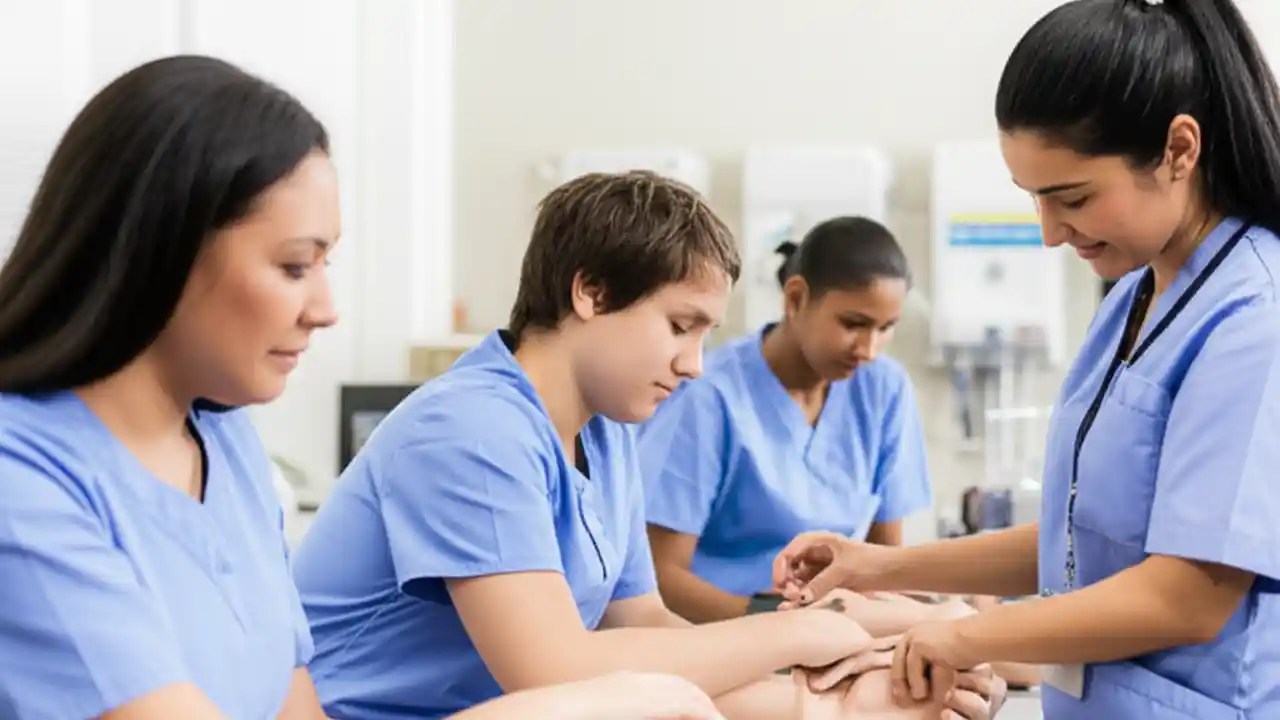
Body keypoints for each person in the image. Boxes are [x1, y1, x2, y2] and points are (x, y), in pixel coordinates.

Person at [0, 55, 731, 720]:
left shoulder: (227, 447)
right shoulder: (23, 478)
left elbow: (295, 709)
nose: (325, 309)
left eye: (326, 266)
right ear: (162, 248)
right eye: (294, 267)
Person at [291, 172, 998, 720]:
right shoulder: (472, 430)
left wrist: (845, 704)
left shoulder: (605, 434)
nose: (694, 364)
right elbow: (556, 672)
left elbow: (647, 631)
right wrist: (812, 634)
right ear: (591, 294)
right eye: (680, 326)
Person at [774, 0, 1280, 717]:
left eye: (1071, 197)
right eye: (1034, 199)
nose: (1049, 233)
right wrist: (881, 565)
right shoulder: (1135, 297)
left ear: (1179, 149)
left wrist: (965, 636)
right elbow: (1085, 537)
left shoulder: (1255, 315)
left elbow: (1187, 594)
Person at [639, 216, 931, 623]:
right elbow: (658, 580)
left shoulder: (883, 389)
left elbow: (885, 566)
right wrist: (779, 626)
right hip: (721, 631)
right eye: (853, 324)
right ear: (795, 299)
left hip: (831, 628)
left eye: (886, 328)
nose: (869, 349)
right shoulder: (709, 397)